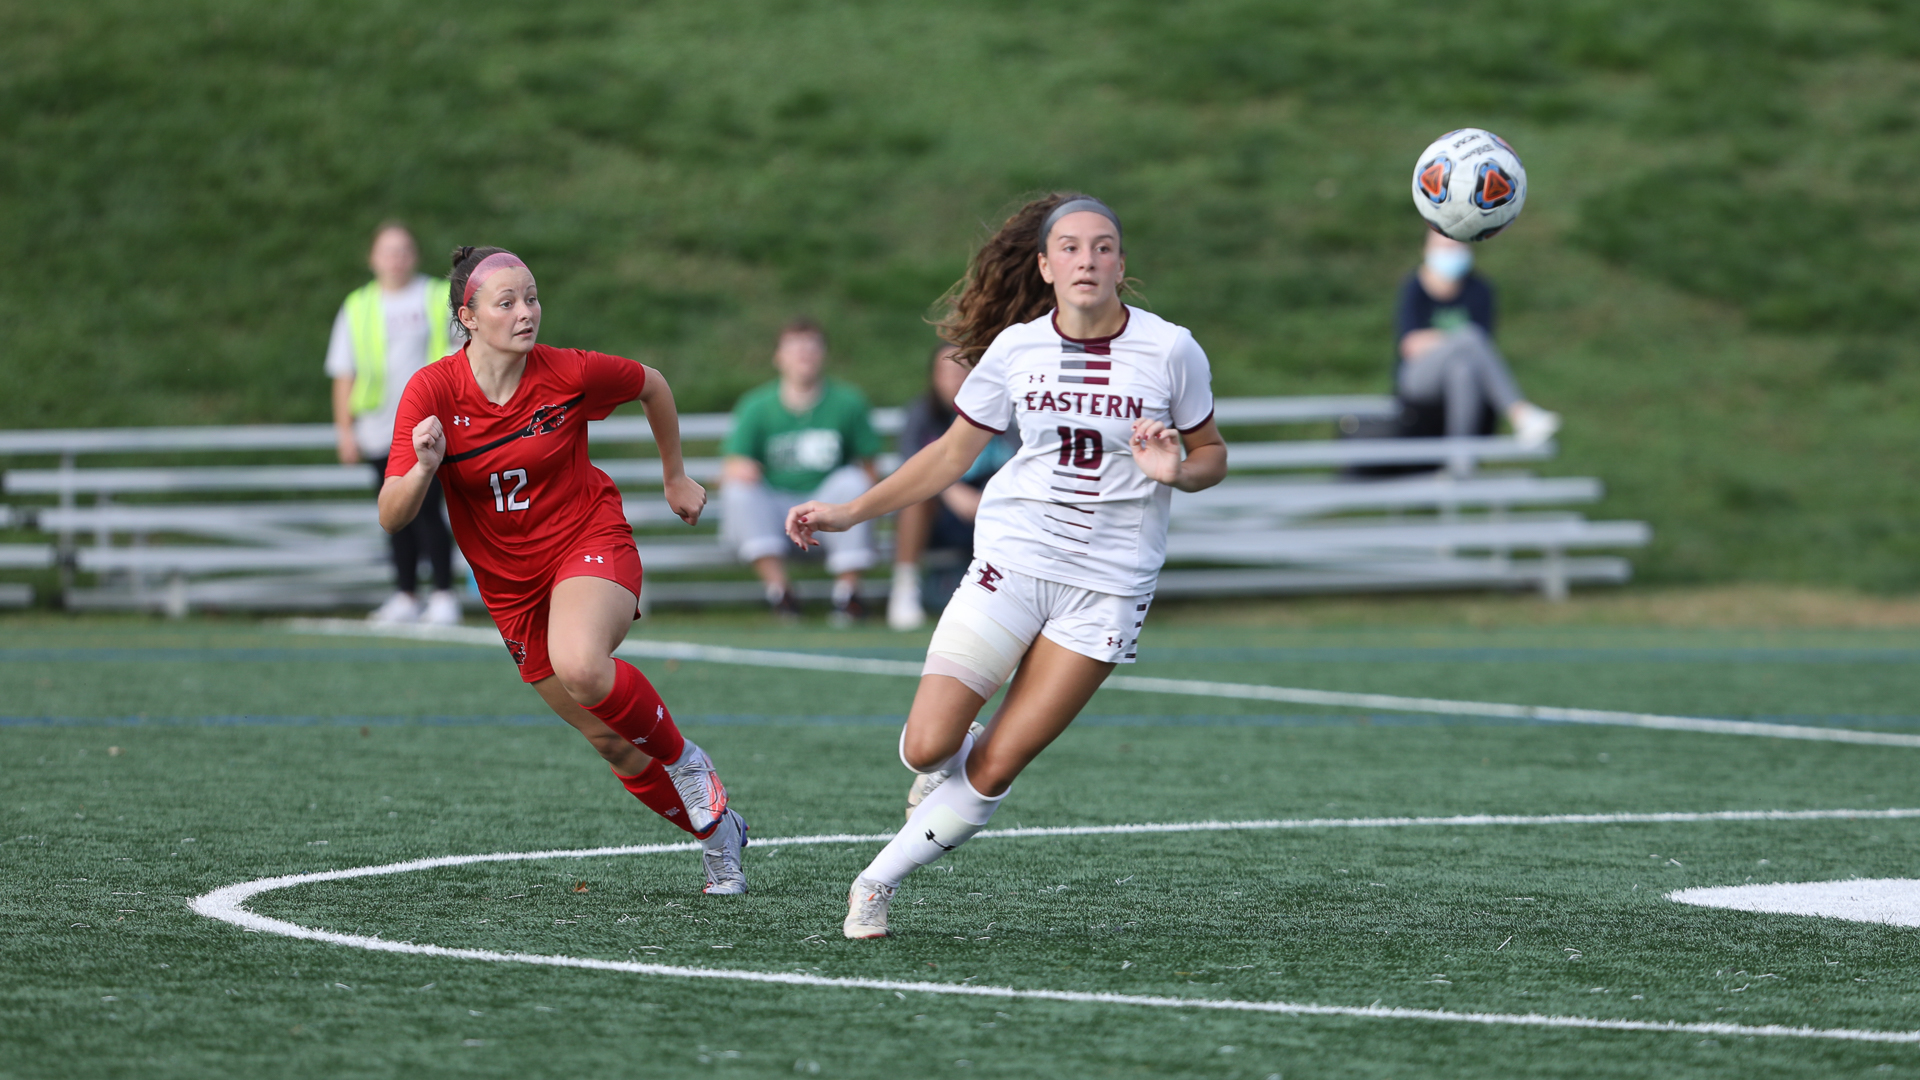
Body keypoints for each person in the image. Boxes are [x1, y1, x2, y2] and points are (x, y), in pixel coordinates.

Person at [783, 193, 1228, 938]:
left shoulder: (1171, 349)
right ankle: (942, 761)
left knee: (998, 763)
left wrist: (1176, 470)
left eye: (1104, 246)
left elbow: (1212, 454)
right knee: (927, 746)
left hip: (1108, 587)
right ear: (1046, 267)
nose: (1088, 260)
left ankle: (876, 882)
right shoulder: (1017, 349)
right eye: (1071, 248)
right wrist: (849, 512)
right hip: (1013, 562)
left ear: (1122, 264)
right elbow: (948, 456)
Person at [379, 246, 748, 895]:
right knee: (612, 743)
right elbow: (392, 514)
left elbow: (652, 384)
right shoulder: (433, 391)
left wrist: (675, 475)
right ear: (468, 317)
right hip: (510, 589)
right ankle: (720, 837)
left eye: (532, 297)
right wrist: (423, 469)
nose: (526, 312)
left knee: (580, 664)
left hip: (588, 539)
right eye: (507, 302)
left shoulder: (568, 371)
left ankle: (689, 763)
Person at [326, 222, 464, 626]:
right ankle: (405, 593)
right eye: (387, 251)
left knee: (429, 510)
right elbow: (344, 372)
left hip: (430, 426)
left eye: (403, 250)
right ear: (373, 258)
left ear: (415, 255)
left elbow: (464, 355)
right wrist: (345, 430)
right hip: (378, 428)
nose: (396, 259)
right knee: (394, 513)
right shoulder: (358, 305)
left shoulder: (438, 297)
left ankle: (443, 593)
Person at [720, 319, 882, 623]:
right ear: (778, 356)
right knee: (738, 491)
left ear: (824, 354)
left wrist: (842, 509)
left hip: (825, 506)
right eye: (795, 347)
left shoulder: (848, 402)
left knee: (854, 481)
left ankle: (848, 594)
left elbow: (870, 468)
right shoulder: (756, 405)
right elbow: (730, 466)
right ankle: (781, 593)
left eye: (811, 346)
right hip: (776, 508)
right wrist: (741, 469)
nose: (804, 354)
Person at [887, 342, 1021, 631]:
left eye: (961, 371)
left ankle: (1017, 599)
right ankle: (905, 591)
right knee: (915, 497)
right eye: (946, 372)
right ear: (934, 378)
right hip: (940, 513)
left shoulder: (999, 411)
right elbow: (912, 468)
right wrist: (950, 490)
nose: (954, 380)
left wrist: (989, 496)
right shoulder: (922, 415)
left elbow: (1020, 464)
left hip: (989, 508)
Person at [1395, 231, 1560, 448]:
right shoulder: (1413, 287)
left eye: (1456, 247)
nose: (1451, 253)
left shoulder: (1480, 289)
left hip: (1461, 373)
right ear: (1426, 250)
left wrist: (1438, 340)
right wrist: (1456, 338)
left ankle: (1459, 459)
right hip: (1417, 378)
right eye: (1444, 247)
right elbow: (1411, 346)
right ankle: (1519, 412)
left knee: (1462, 370)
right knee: (1470, 336)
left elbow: (1480, 354)